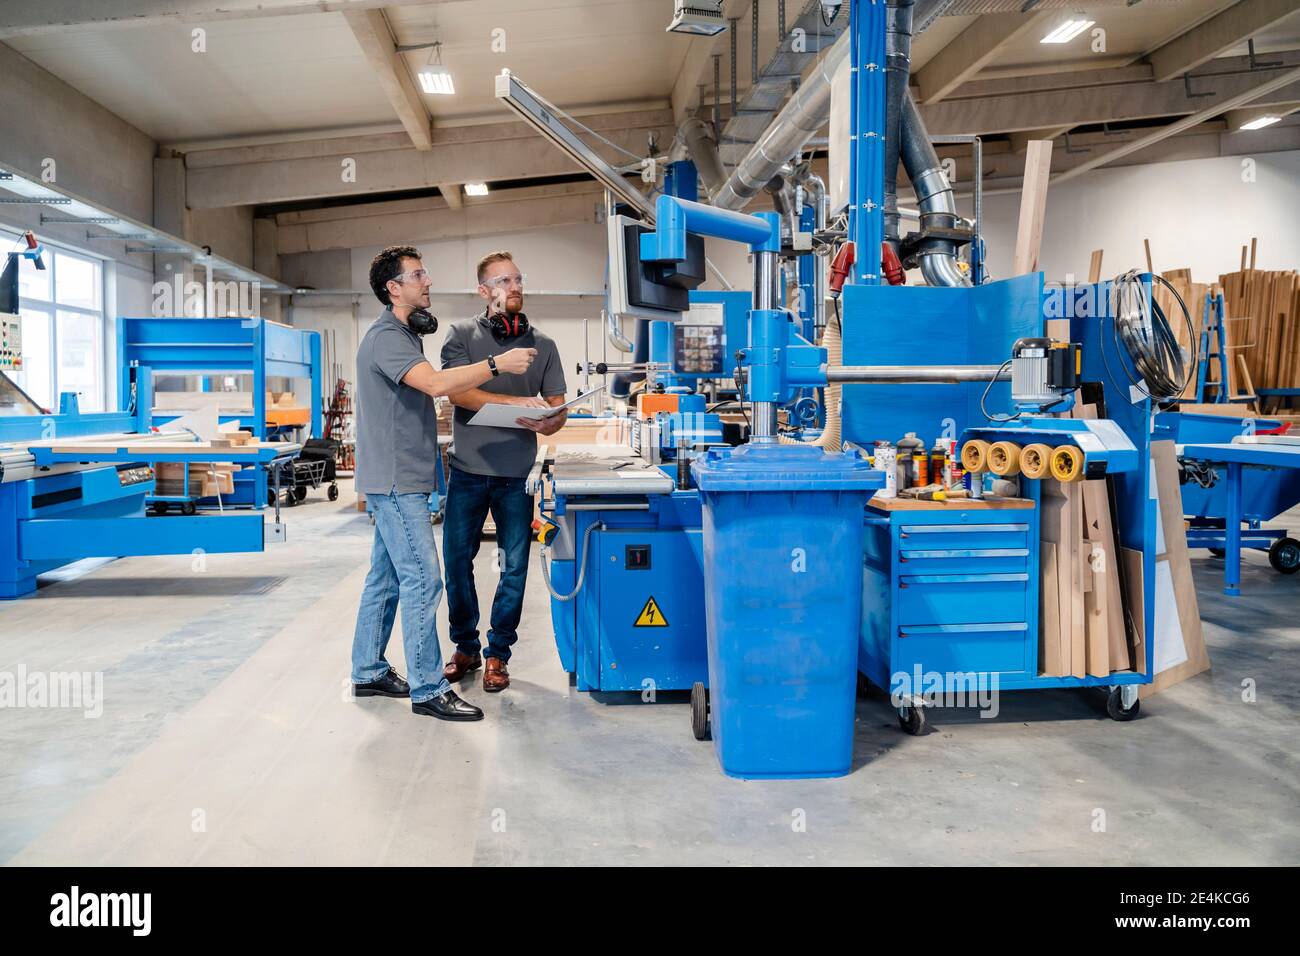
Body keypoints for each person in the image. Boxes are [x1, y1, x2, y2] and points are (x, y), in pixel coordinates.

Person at [350, 245, 536, 721]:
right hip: (396, 480)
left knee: (386, 578)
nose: (427, 281)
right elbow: (436, 385)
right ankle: (429, 689)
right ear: (394, 289)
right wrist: (497, 364)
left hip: (400, 477)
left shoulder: (403, 336)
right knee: (423, 579)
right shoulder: (388, 337)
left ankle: (368, 670)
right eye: (417, 275)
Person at [439, 251, 568, 693]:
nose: (514, 287)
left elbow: (557, 407)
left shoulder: (543, 345)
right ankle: (465, 647)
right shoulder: (460, 336)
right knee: (457, 564)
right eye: (503, 281)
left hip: (516, 476)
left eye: (517, 279)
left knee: (514, 568)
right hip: (467, 472)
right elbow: (459, 393)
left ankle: (498, 654)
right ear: (483, 291)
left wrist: (551, 422)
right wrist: (515, 403)